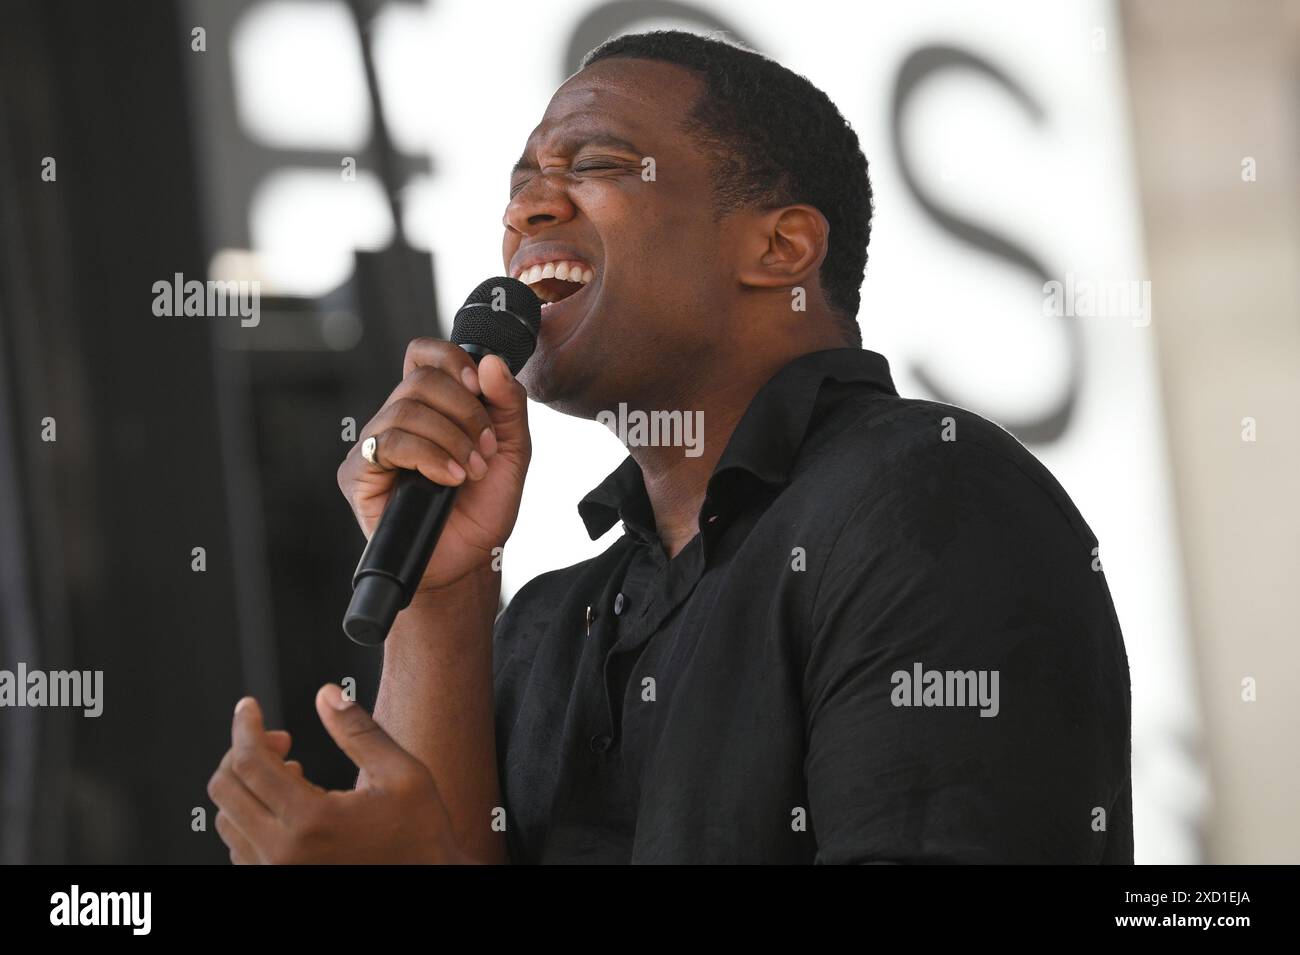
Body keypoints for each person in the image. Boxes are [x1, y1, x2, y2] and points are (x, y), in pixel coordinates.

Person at [207, 30, 1133, 864]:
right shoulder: (547, 626)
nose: (528, 208)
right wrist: (442, 594)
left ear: (781, 248)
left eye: (596, 163)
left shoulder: (928, 497)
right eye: (520, 182)